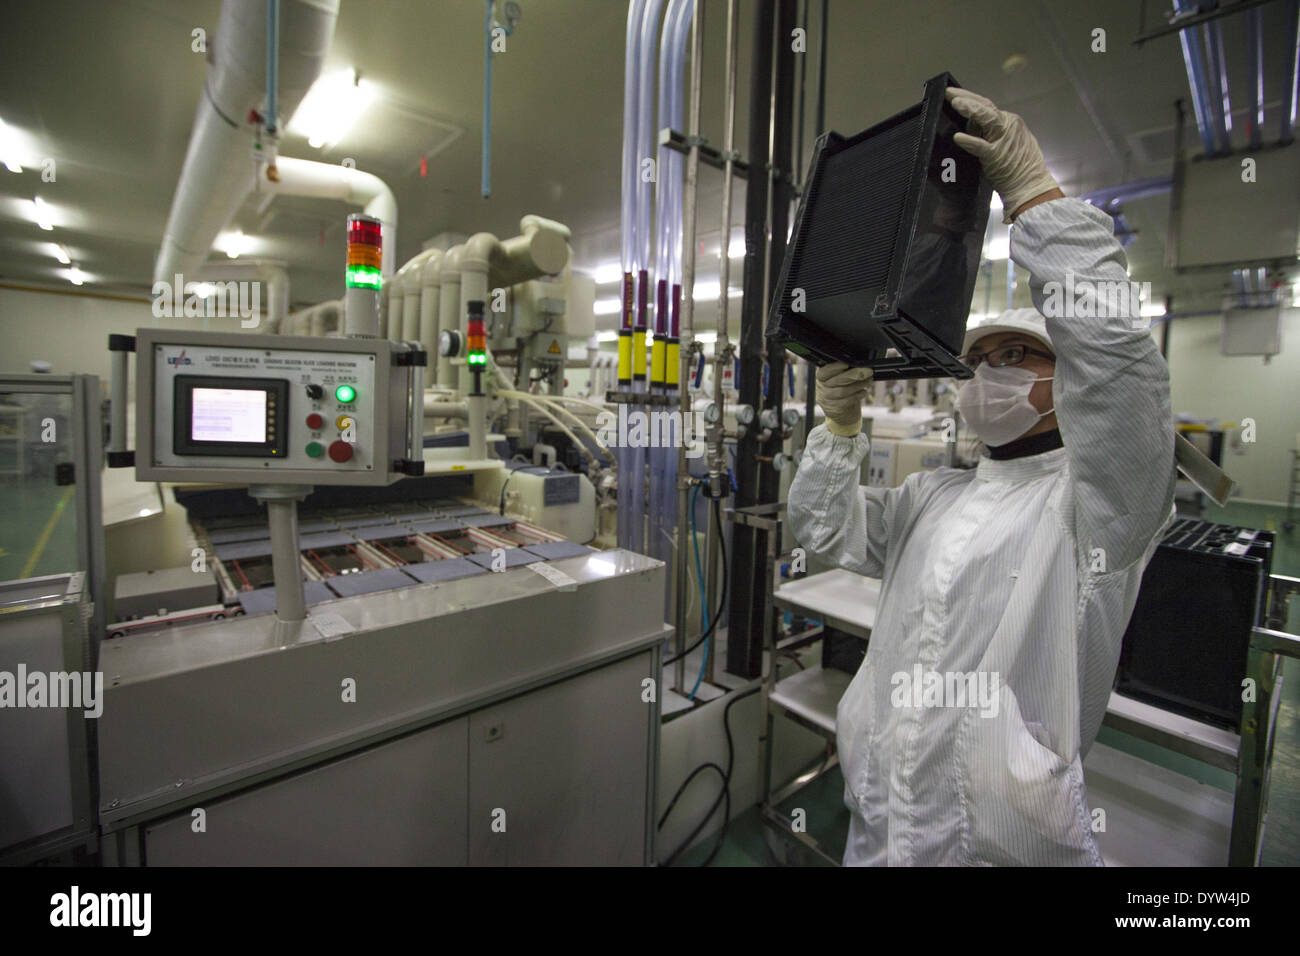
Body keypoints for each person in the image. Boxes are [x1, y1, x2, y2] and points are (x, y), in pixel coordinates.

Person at [787, 88, 1176, 866]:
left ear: (1070, 380)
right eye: (977, 360)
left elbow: (1123, 376)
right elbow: (824, 534)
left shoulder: (1097, 509)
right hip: (881, 814)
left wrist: (1036, 201)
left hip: (995, 843)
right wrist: (838, 429)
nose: (989, 373)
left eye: (1018, 356)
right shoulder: (935, 495)